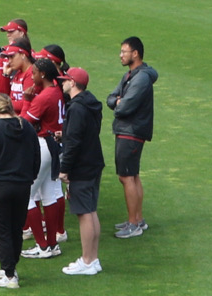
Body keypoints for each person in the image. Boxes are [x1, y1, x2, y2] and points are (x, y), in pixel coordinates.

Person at [0, 94, 41, 290]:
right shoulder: (26, 127)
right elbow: (35, 157)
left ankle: (10, 274)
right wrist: (29, 178)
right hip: (22, 186)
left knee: (1, 230)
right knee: (16, 228)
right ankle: (10, 267)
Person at [55, 67, 107, 276]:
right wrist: (65, 136)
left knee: (84, 214)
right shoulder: (90, 103)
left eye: (66, 80)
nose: (62, 83)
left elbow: (75, 142)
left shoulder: (76, 108)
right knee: (91, 211)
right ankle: (92, 259)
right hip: (93, 162)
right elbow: (81, 135)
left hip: (82, 166)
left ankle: (87, 261)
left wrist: (64, 169)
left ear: (73, 83)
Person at [13, 54, 65, 259]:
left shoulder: (44, 97)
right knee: (49, 195)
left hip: (43, 146)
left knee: (25, 195)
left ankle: (42, 246)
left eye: (34, 73)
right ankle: (51, 244)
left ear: (42, 74)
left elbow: (23, 124)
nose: (31, 76)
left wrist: (26, 101)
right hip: (55, 146)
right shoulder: (56, 92)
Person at [105, 37, 155, 240]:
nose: (120, 55)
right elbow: (111, 97)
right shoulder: (132, 75)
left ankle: (133, 223)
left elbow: (123, 107)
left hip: (131, 132)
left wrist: (118, 103)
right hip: (130, 131)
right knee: (132, 176)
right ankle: (138, 219)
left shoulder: (141, 78)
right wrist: (117, 101)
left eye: (124, 51)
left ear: (135, 54)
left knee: (126, 177)